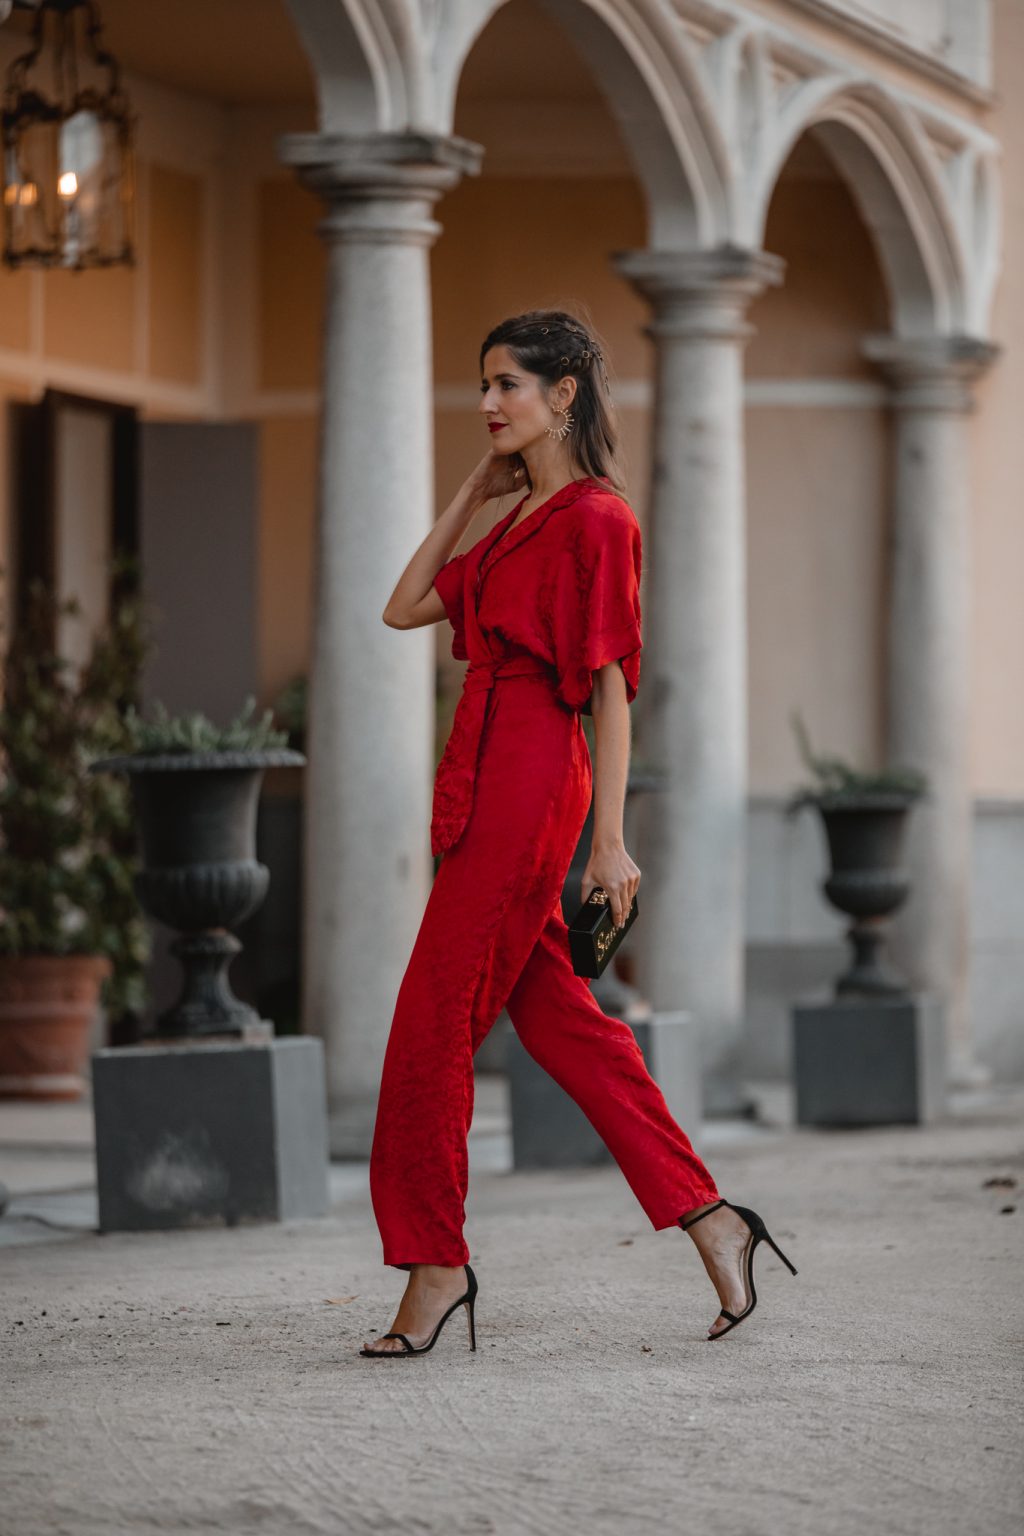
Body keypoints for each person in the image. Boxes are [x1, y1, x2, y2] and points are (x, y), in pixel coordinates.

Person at [360, 310, 796, 1358]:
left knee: (429, 1027)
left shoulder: (599, 520)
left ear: (563, 394)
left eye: (506, 384)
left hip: (533, 776)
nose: (487, 402)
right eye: (483, 384)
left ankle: (435, 1262)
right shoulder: (517, 519)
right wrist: (474, 492)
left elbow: (610, 692)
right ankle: (713, 1219)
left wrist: (608, 841)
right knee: (565, 1025)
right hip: (479, 769)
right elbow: (403, 607)